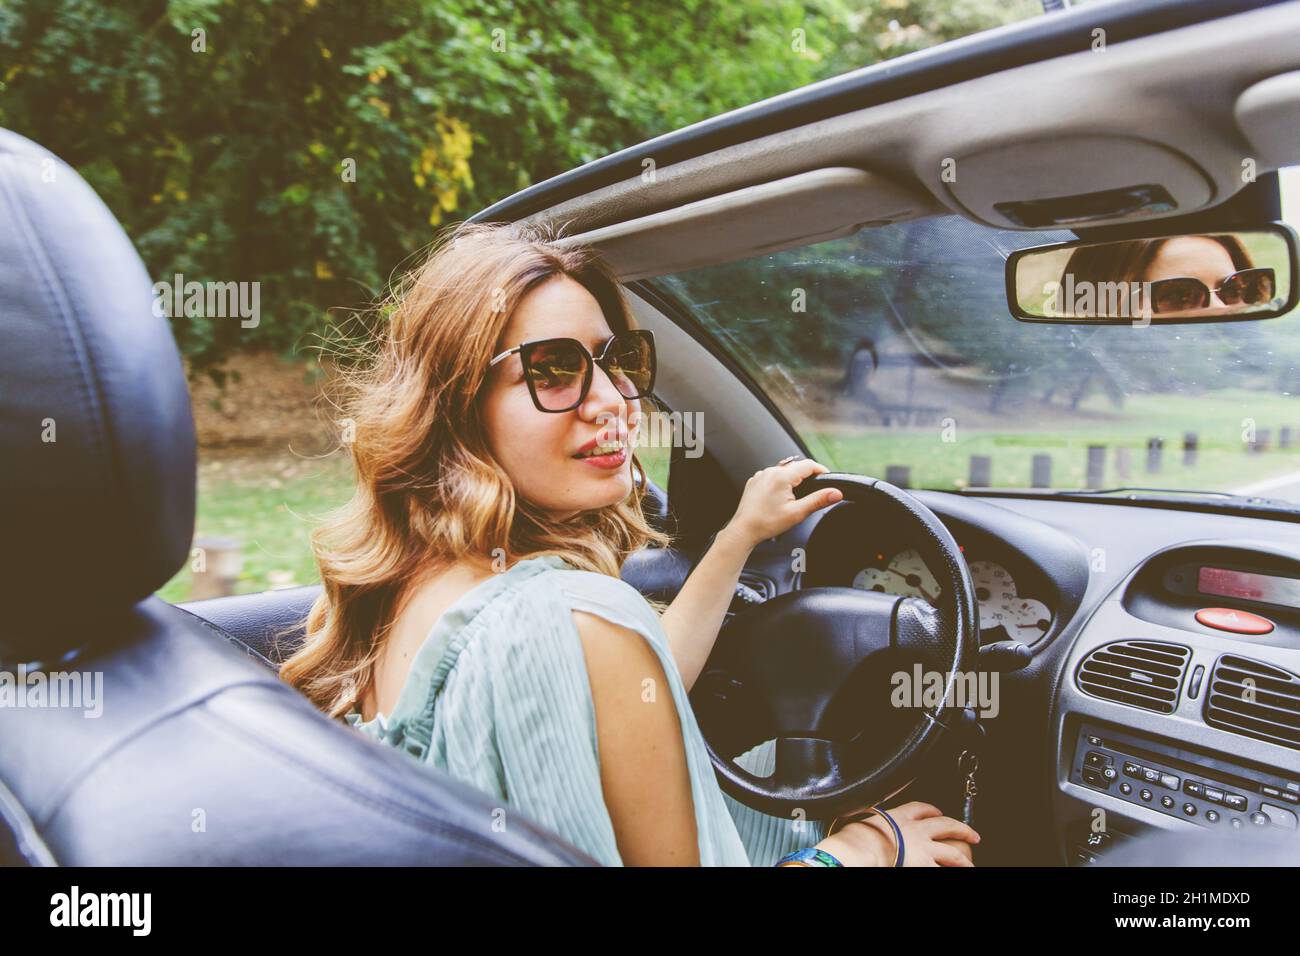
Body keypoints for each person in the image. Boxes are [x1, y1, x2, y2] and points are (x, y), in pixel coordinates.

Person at [280, 220, 980, 866]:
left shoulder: (411, 589)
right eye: (552, 368)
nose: (612, 398)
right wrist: (862, 851)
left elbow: (627, 687)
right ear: (455, 403)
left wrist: (737, 538)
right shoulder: (572, 617)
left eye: (617, 361)